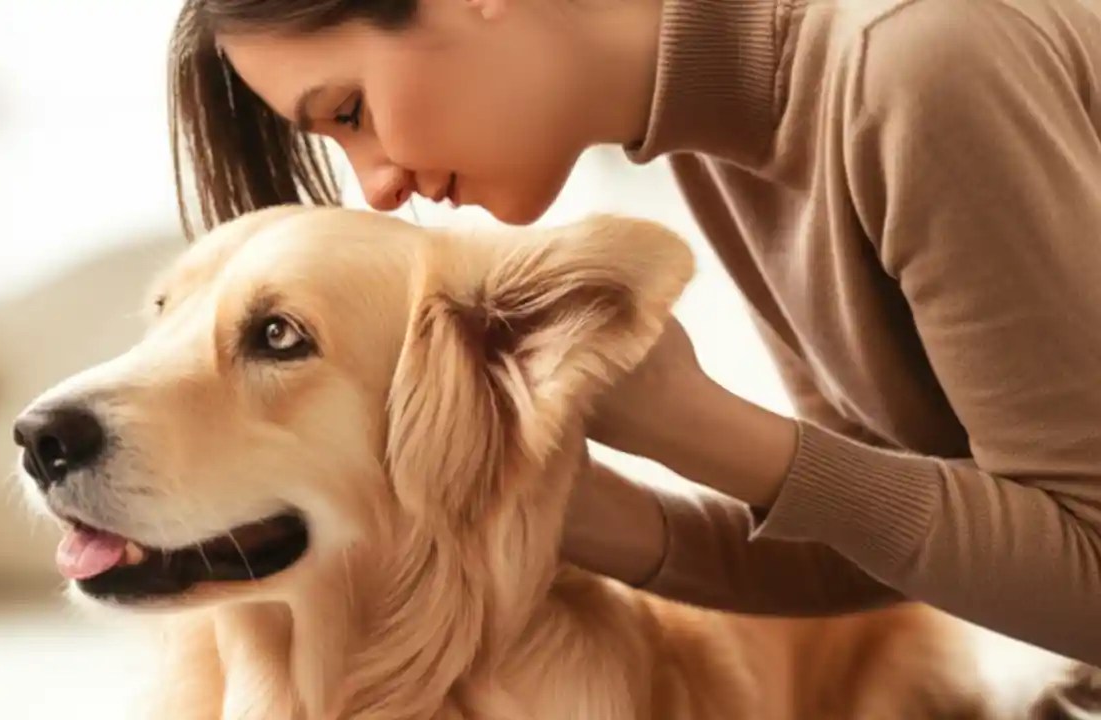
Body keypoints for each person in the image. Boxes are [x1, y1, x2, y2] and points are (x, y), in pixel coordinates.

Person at [165, 0, 1101, 666]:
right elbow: (901, 539)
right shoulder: (733, 132)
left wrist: (690, 422)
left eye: (351, 112)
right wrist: (569, 511)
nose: (376, 185)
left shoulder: (917, 65)